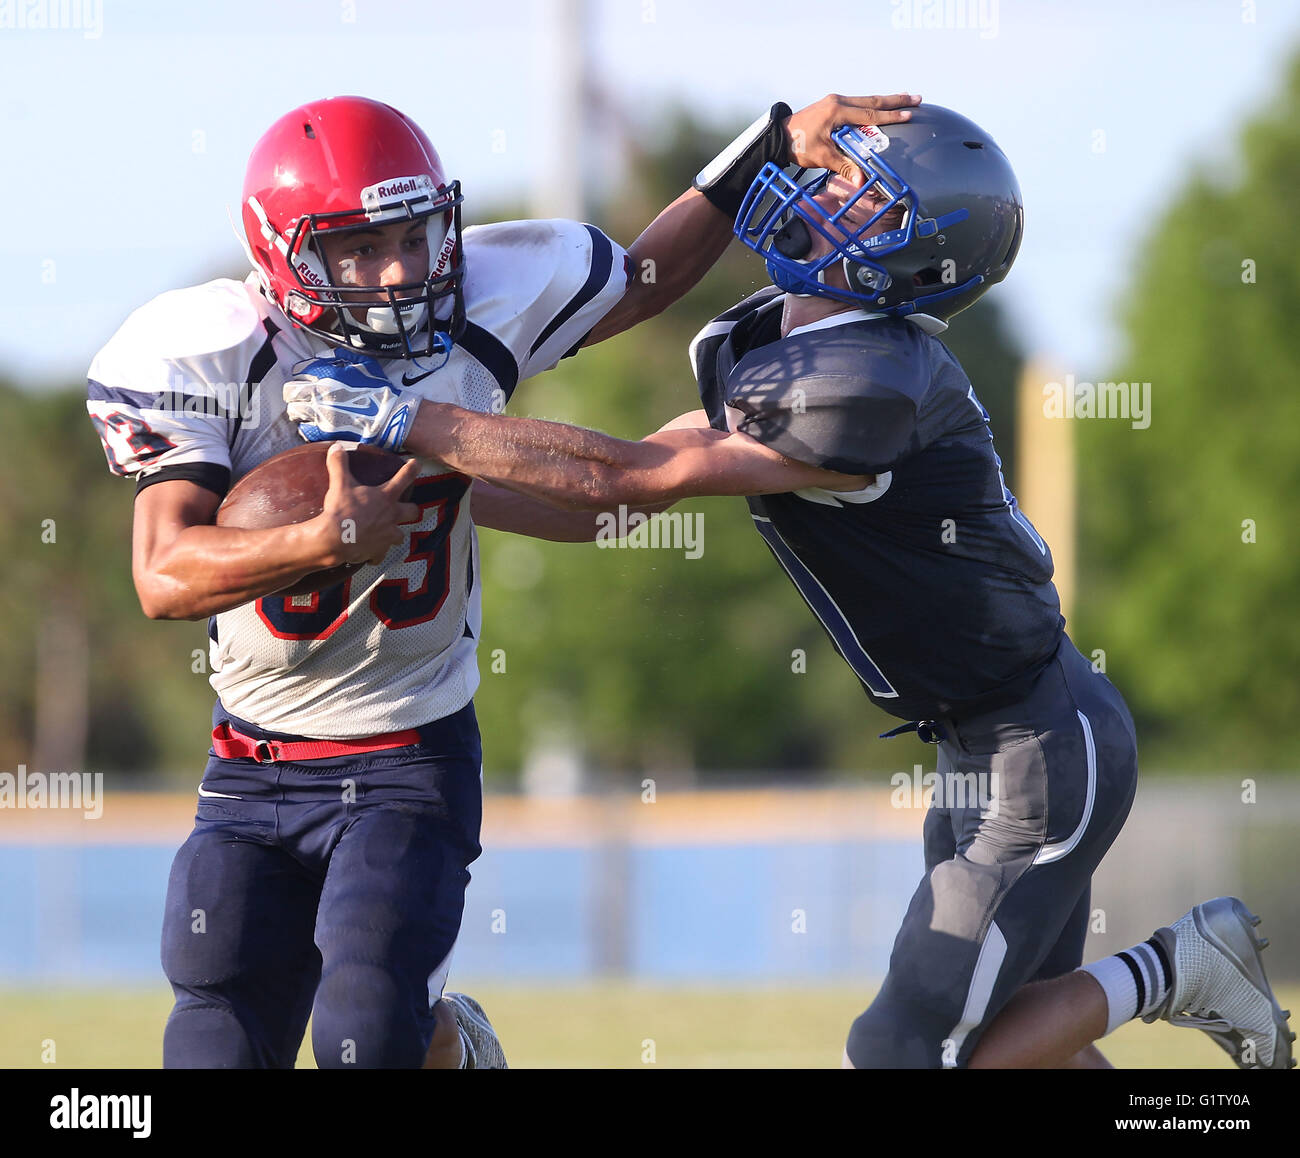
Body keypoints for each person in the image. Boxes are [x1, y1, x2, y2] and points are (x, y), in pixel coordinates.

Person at [283, 103, 1295, 1069]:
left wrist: (407, 420)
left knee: (900, 1053)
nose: (816, 188)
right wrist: (429, 500)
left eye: (857, 190)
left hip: (1037, 746)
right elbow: (609, 502)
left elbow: (631, 477)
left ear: (910, 246)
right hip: (989, 733)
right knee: (1021, 1041)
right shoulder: (774, 335)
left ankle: (1181, 968)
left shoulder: (870, 381)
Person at [85, 91, 921, 1069]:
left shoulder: (484, 294)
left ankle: (448, 1046)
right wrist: (318, 541)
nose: (398, 270)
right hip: (252, 756)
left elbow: (644, 279)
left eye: (413, 234)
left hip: (407, 752)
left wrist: (766, 147)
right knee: (214, 1039)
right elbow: (164, 573)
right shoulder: (209, 350)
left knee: (362, 1032)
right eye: (359, 249)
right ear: (281, 253)